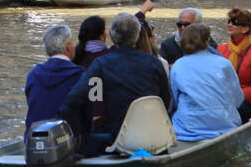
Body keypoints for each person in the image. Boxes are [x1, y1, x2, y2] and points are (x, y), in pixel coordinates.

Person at [60, 12, 173, 156]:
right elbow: (165, 100)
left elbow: (73, 100)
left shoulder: (102, 64)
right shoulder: (155, 63)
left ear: (112, 38)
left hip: (120, 140)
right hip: (156, 137)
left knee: (88, 139)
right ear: (138, 36)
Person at [171, 23, 244, 141]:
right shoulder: (224, 63)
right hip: (224, 126)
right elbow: (237, 100)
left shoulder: (178, 65)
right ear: (207, 41)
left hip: (187, 128)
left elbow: (175, 99)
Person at [23, 24, 85, 140]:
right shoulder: (80, 75)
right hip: (67, 141)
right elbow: (87, 116)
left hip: (32, 139)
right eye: (72, 42)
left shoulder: (33, 74)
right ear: (68, 47)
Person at [219, 7, 251, 121]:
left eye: (235, 22)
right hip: (222, 99)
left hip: (247, 103)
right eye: (229, 21)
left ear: (245, 29)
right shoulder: (221, 49)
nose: (230, 24)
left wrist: (233, 96)